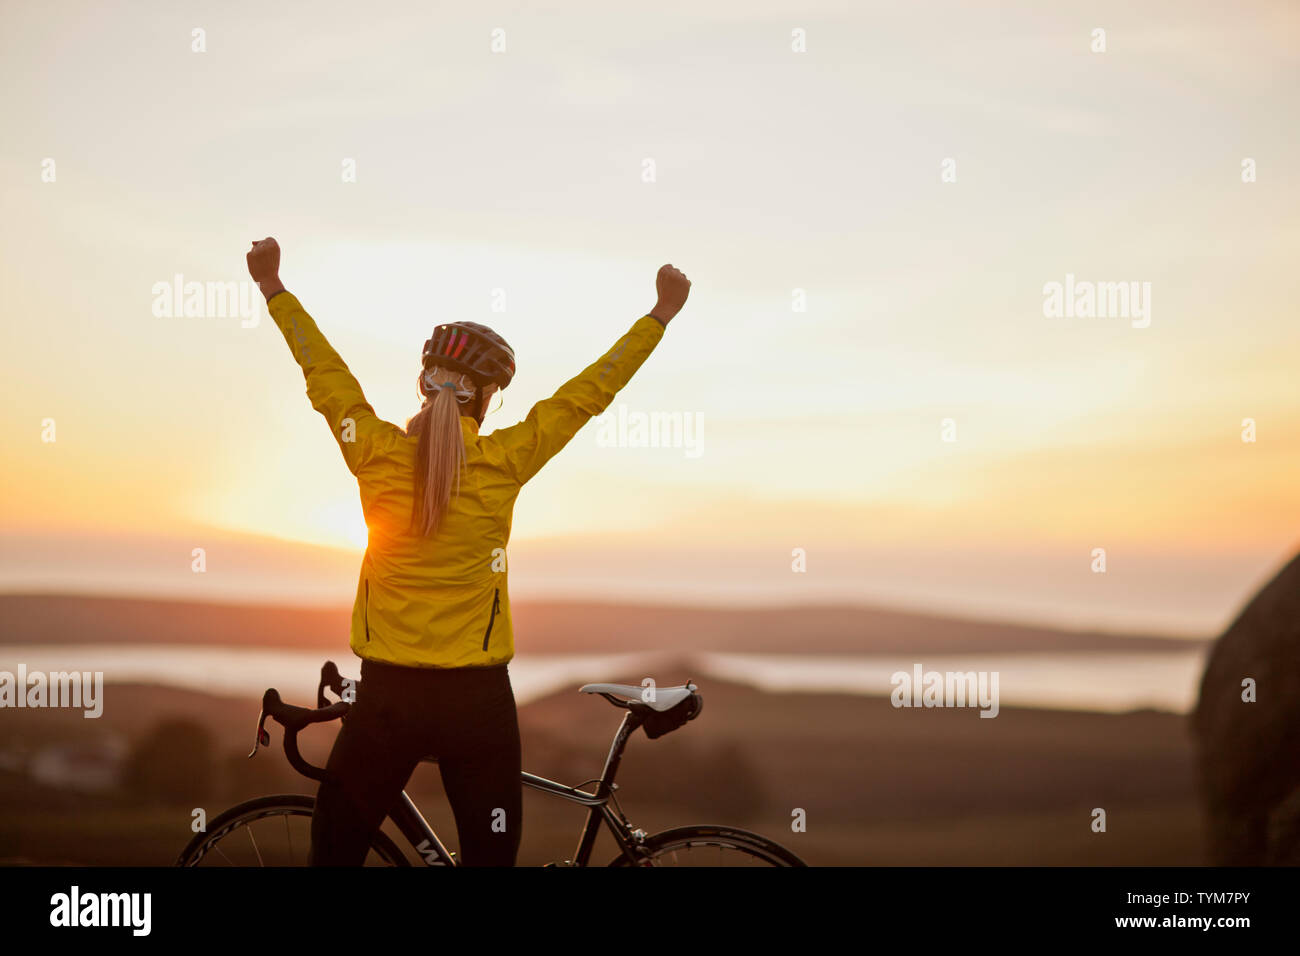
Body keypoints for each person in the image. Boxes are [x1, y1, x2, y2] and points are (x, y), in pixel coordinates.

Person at [244, 237, 691, 866]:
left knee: (334, 857)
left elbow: (325, 374)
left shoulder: (372, 451)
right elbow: (588, 396)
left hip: (386, 703)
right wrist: (659, 317)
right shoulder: (504, 461)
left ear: (424, 389)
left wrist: (274, 289)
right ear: (485, 399)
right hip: (477, 708)